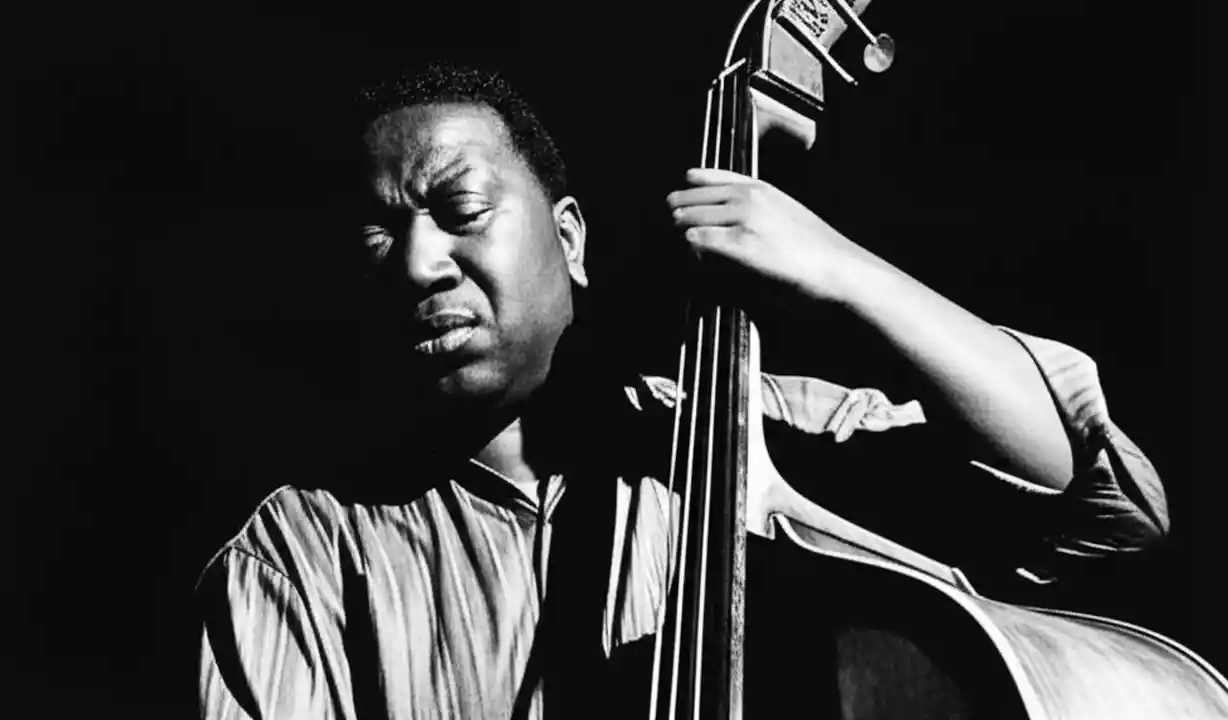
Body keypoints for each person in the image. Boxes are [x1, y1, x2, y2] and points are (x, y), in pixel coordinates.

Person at [195, 63, 1168, 719]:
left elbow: (1096, 503)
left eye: (460, 210)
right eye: (377, 238)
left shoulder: (753, 435)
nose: (417, 264)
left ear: (569, 240)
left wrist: (842, 270)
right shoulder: (298, 554)